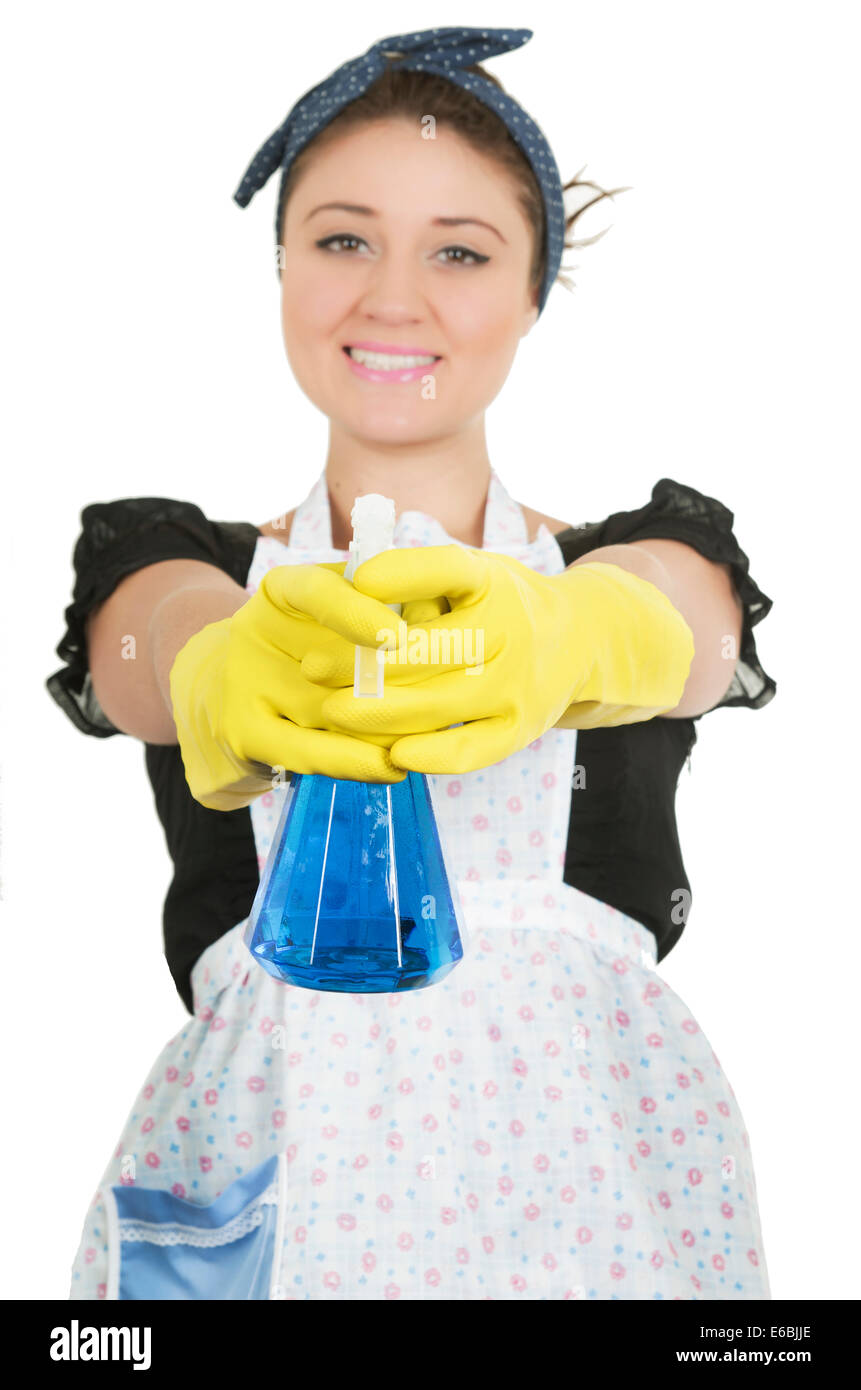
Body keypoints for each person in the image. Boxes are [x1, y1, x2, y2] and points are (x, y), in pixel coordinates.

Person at [47, 27, 776, 1301]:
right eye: (341, 239)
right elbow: (140, 644)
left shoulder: (643, 556)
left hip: (594, 1226)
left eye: (459, 250)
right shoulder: (180, 564)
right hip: (257, 1229)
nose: (393, 297)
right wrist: (221, 662)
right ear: (280, 266)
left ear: (534, 289)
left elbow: (687, 633)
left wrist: (570, 638)